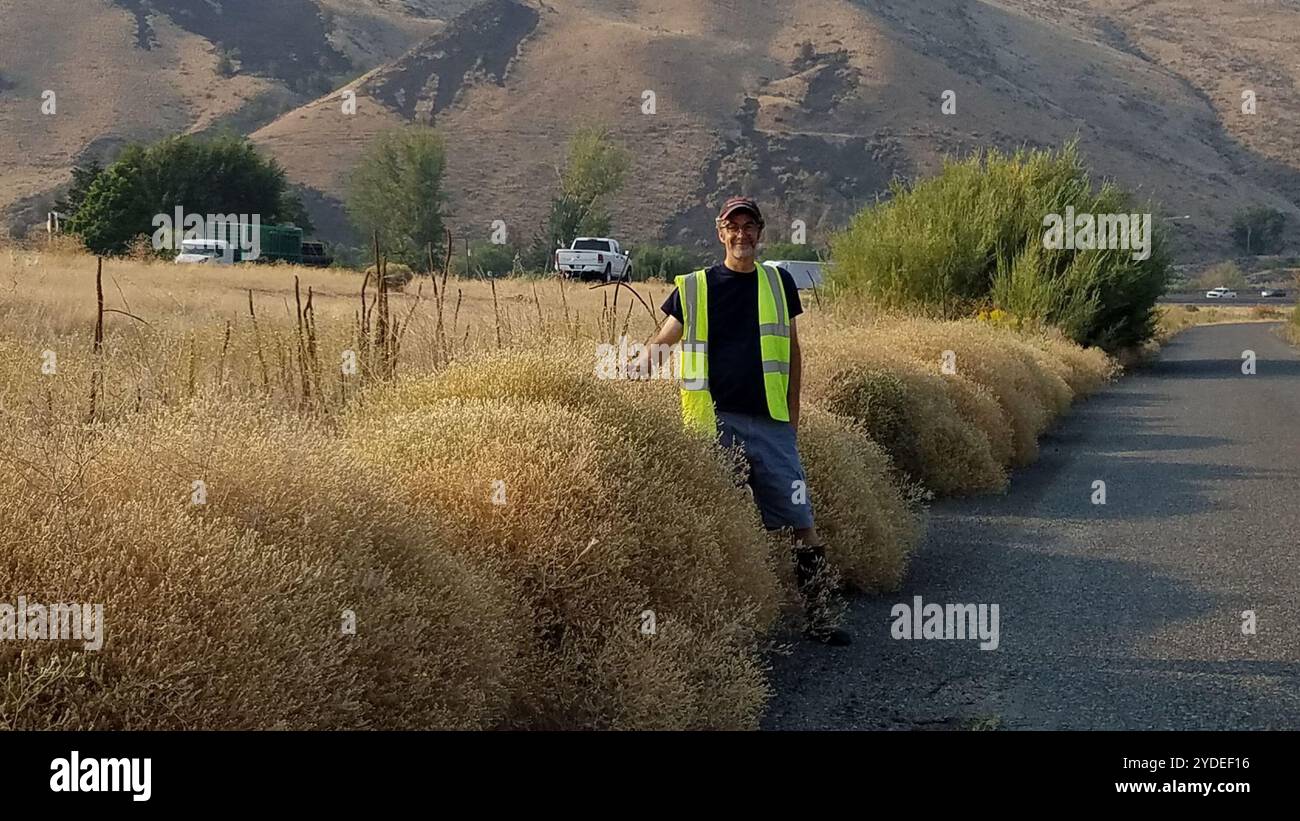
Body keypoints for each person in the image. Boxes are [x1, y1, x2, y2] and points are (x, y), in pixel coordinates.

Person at [629, 196, 850, 645]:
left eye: (750, 226)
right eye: (734, 226)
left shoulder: (777, 283)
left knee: (800, 519)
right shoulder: (694, 287)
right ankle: (718, 625)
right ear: (720, 232)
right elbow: (662, 342)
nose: (742, 234)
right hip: (712, 426)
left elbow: (792, 349)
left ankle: (820, 617)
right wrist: (632, 367)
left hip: (771, 424)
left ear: (760, 233)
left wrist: (793, 410)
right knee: (715, 523)